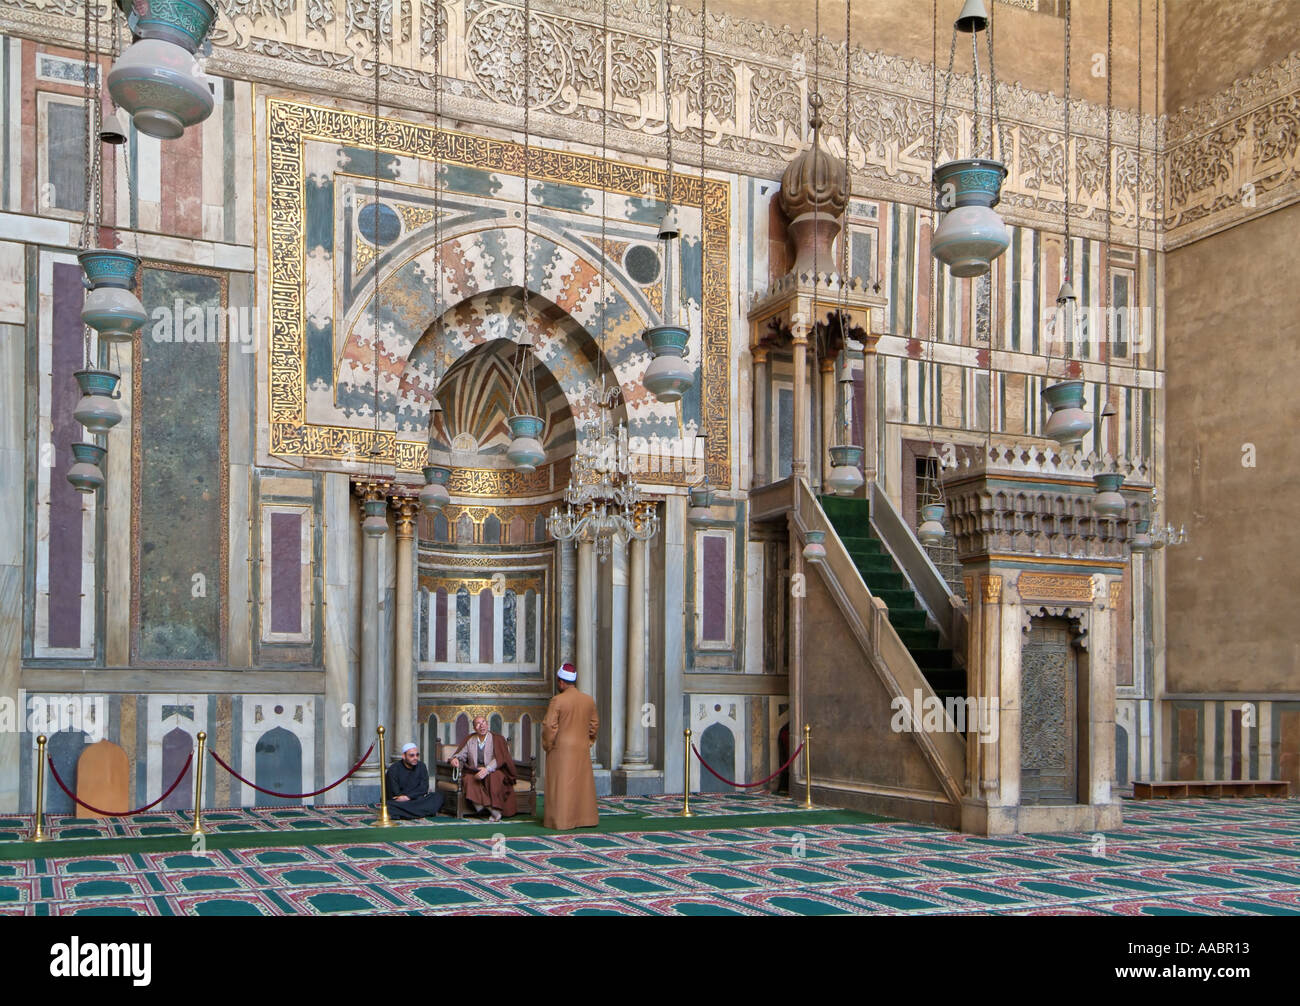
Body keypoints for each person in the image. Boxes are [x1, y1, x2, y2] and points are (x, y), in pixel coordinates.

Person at [541, 663, 599, 830]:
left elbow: (549, 726)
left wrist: (548, 744)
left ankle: (561, 821)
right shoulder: (588, 700)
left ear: (561, 682)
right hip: (581, 747)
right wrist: (588, 741)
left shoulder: (557, 700)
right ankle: (585, 819)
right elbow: (594, 724)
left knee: (561, 786)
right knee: (581, 785)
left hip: (561, 749)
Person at [449, 716, 517, 823]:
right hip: (475, 771)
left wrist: (487, 769)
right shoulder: (471, 740)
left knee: (495, 778)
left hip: (493, 770)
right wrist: (454, 759)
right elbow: (462, 755)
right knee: (468, 780)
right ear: (474, 728)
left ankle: (495, 807)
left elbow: (499, 758)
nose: (482, 726)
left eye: (483, 722)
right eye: (478, 724)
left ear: (487, 724)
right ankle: (491, 810)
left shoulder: (496, 739)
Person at [384, 742, 444, 819]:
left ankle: (406, 814)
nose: (415, 758)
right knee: (389, 806)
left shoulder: (422, 766)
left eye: (417, 755)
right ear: (403, 756)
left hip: (416, 799)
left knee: (438, 797)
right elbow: (395, 793)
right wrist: (407, 798)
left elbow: (424, 788)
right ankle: (422, 812)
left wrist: (409, 797)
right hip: (401, 802)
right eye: (411, 755)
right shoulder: (394, 769)